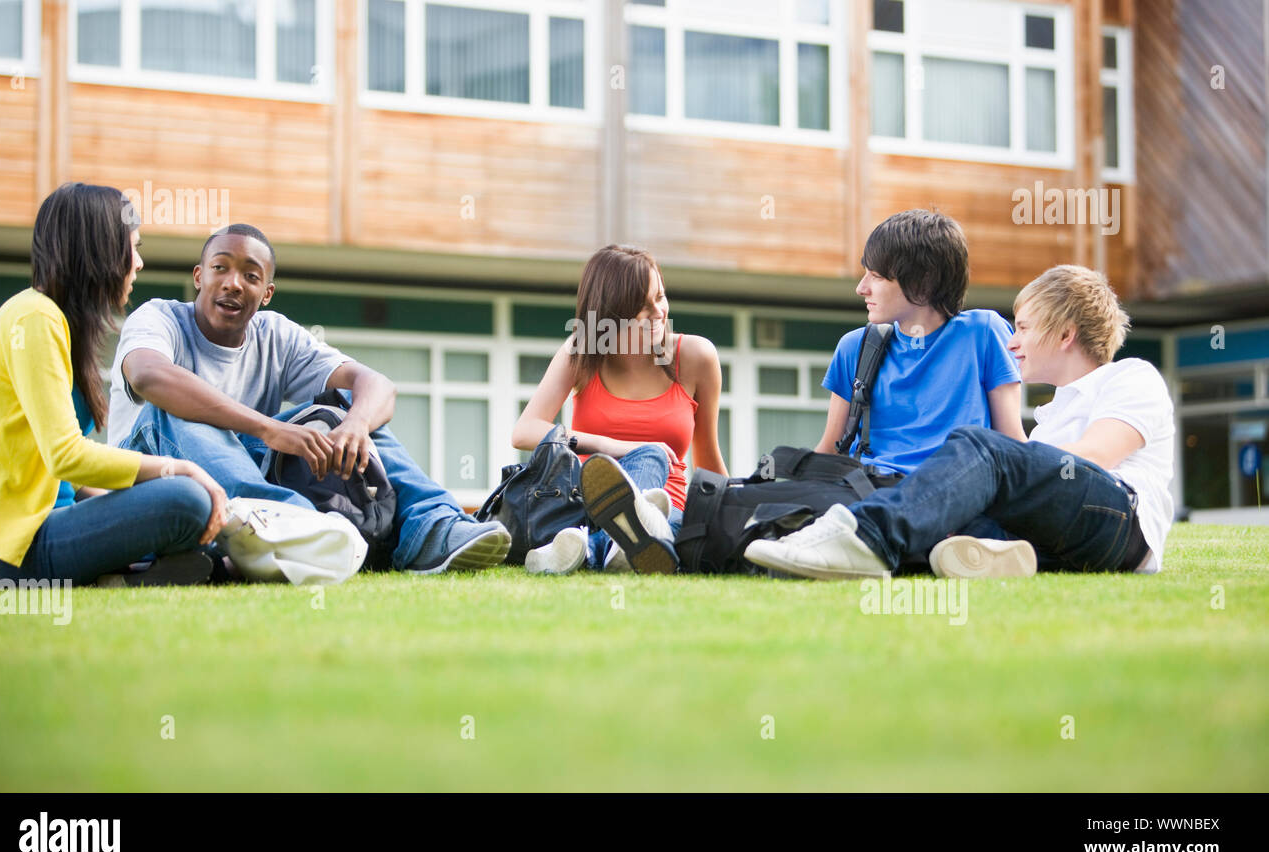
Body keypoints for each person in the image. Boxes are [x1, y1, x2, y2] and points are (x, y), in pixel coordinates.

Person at [107, 224, 509, 575]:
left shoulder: (275, 334)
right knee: (177, 410)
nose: (233, 282)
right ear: (198, 276)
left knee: (351, 411)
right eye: (220, 268)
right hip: (149, 480)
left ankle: (433, 527)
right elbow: (148, 375)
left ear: (266, 293)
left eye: (250, 275)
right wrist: (268, 428)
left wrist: (355, 426)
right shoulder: (158, 317)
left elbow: (377, 385)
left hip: (237, 484)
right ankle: (294, 528)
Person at [746, 265, 1174, 579]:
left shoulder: (1131, 376)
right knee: (953, 522)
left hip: (1121, 521)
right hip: (1070, 540)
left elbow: (1094, 459)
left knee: (981, 447)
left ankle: (863, 537)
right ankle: (993, 555)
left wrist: (997, 468)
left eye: (1023, 328)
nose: (1012, 341)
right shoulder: (1052, 417)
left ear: (1065, 335)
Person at [0, 183, 228, 587]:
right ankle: (125, 574)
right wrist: (179, 470)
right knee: (185, 500)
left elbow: (71, 483)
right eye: (134, 247)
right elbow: (67, 457)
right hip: (8, 551)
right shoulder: (34, 317)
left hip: (54, 527)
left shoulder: (63, 326)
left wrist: (131, 511)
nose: (138, 263)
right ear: (100, 247)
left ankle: (124, 574)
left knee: (192, 514)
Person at [511, 244, 727, 574]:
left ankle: (590, 548)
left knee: (676, 511)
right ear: (612, 311)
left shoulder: (696, 357)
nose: (658, 312)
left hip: (669, 510)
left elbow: (708, 458)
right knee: (650, 454)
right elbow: (524, 431)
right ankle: (623, 543)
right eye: (643, 306)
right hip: (588, 504)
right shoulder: (582, 351)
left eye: (661, 296)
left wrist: (734, 515)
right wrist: (615, 447)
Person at [816, 209, 1026, 473]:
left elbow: (1011, 442)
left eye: (877, 276)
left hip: (957, 495)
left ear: (923, 282)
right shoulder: (856, 347)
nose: (861, 288)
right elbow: (830, 450)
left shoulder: (983, 333)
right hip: (869, 496)